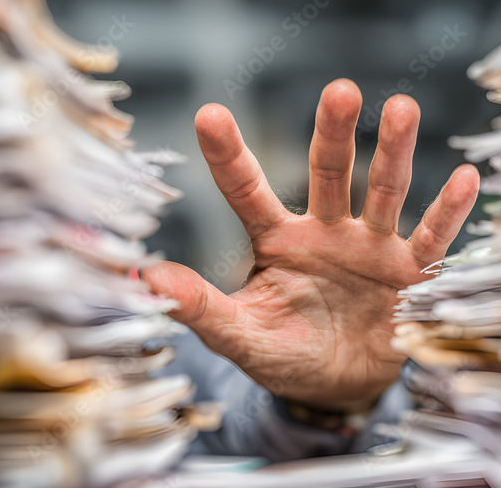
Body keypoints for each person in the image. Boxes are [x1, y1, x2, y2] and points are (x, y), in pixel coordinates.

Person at [143, 78, 480, 461]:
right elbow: (228, 411)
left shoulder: (428, 352)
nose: (338, 278)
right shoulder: (184, 346)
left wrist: (335, 404)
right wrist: (316, 407)